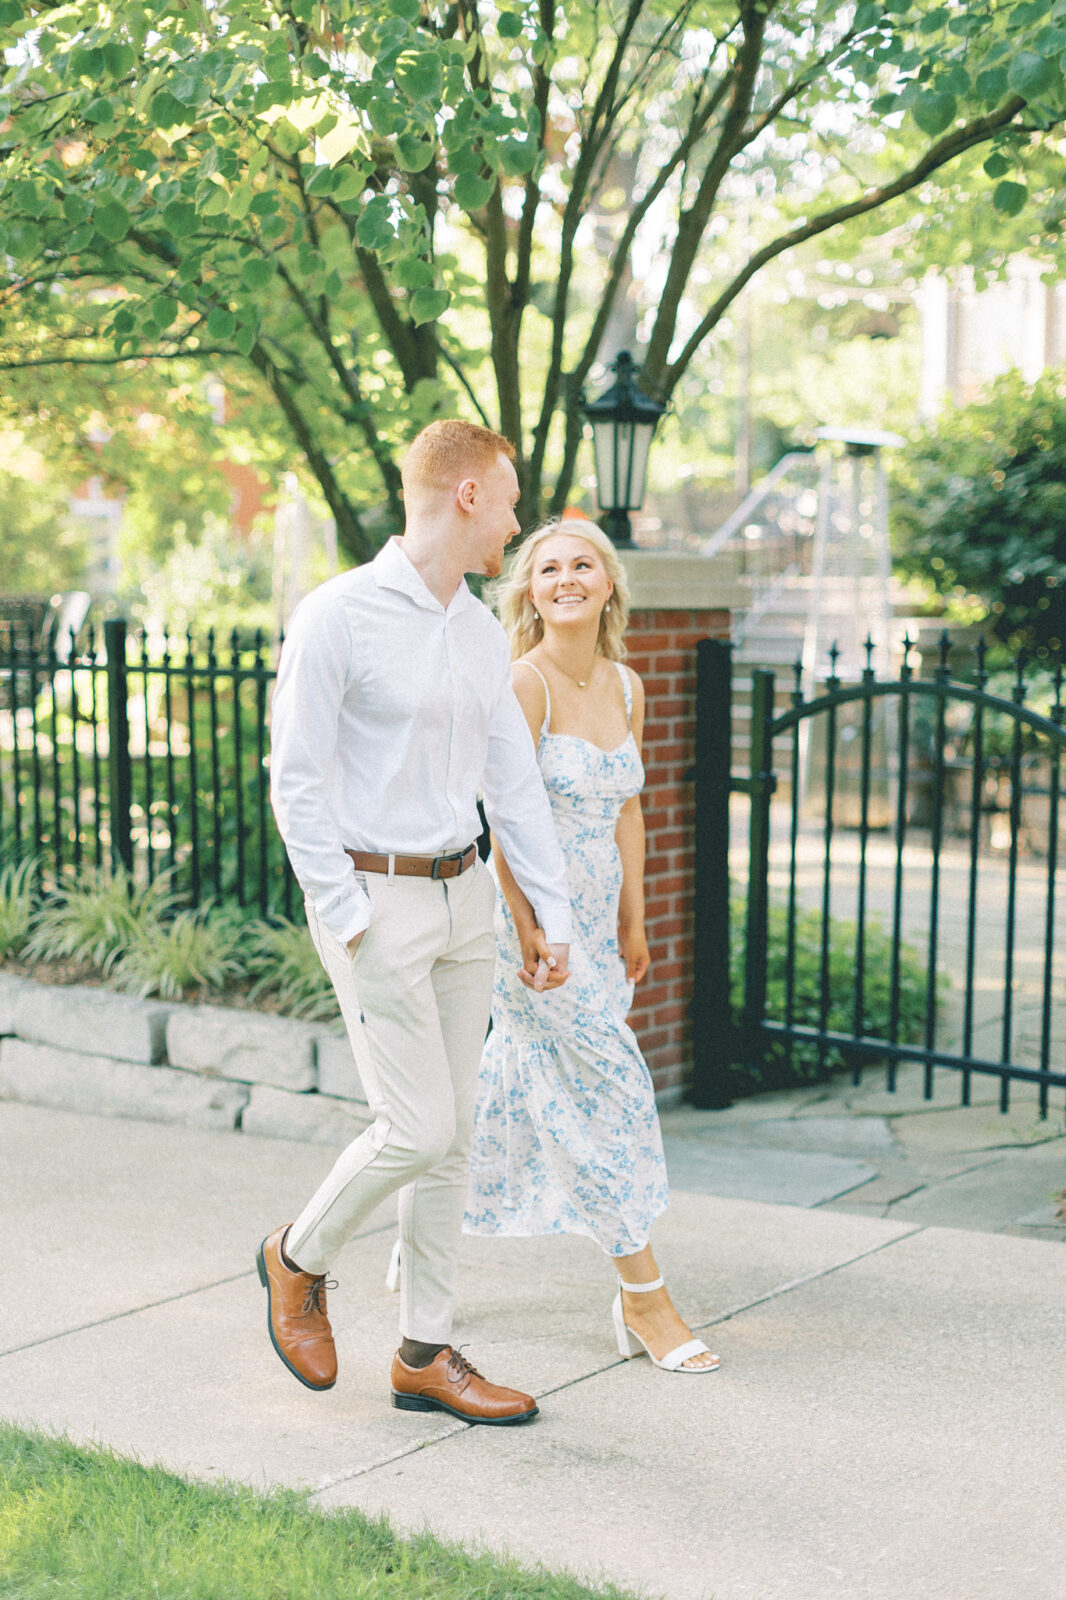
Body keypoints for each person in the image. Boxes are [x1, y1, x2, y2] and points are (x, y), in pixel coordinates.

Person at [261, 420, 572, 1426]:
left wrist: (547, 915)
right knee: (418, 1123)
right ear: (468, 494)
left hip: (464, 897)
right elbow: (295, 780)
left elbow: (511, 783)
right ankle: (295, 1256)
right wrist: (344, 914)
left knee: (455, 1136)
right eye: (512, 499)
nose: (519, 522)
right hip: (375, 900)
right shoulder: (339, 615)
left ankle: (425, 1353)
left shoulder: (481, 629)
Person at [463, 516, 719, 1373]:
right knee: (611, 1093)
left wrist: (636, 920)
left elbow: (630, 809)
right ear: (528, 591)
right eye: (548, 568)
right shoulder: (521, 684)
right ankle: (645, 1300)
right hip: (534, 928)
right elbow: (498, 815)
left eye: (582, 565)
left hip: (603, 929)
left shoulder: (628, 686)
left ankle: (419, 1223)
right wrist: (531, 925)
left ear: (608, 584)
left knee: (512, 1081)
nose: (566, 578)